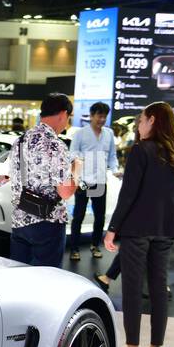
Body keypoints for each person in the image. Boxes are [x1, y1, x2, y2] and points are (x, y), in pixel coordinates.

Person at [104, 102, 174, 347]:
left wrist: (113, 229)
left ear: (153, 120)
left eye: (141, 120)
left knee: (132, 288)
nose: (139, 125)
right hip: (167, 228)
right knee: (158, 286)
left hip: (137, 228)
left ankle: (132, 346)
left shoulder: (141, 150)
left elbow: (128, 194)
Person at [4, 93, 80, 267]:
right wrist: (76, 169)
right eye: (68, 118)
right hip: (47, 222)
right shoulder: (55, 144)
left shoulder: (20, 141)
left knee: (20, 278)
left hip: (19, 219)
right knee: (47, 281)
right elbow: (66, 192)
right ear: (63, 114)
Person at [68, 101, 117, 261]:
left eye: (104, 116)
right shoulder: (80, 133)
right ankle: (74, 248)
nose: (102, 119)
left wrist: (115, 170)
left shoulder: (109, 134)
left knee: (100, 216)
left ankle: (95, 245)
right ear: (91, 116)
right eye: (99, 116)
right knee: (79, 216)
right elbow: (72, 153)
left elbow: (112, 156)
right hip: (83, 180)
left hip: (100, 180)